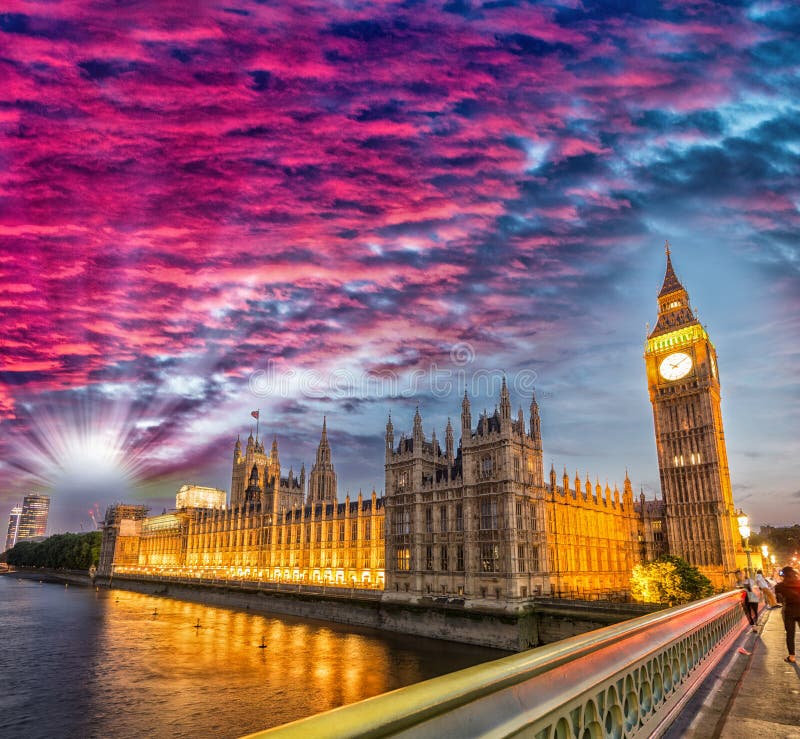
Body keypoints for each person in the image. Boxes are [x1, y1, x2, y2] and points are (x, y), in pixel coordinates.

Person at [775, 566, 800, 664]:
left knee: (790, 634)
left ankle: (792, 656)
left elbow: (779, 600)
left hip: (789, 611)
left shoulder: (780, 586)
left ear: (783, 575)